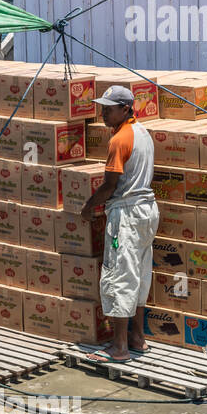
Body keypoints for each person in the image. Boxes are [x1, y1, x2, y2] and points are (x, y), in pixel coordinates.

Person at [79, 84, 160, 361]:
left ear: (125, 109)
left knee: (119, 277)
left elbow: (109, 186)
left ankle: (119, 347)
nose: (103, 114)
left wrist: (88, 207)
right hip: (147, 211)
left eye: (108, 109)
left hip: (126, 213)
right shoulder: (143, 133)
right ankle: (138, 338)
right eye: (102, 108)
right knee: (139, 274)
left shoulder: (119, 140)